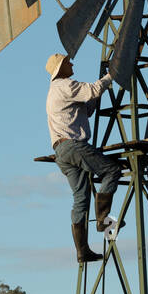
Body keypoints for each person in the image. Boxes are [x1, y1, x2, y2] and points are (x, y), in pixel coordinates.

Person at [45, 53, 122, 262]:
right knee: (112, 170)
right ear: (60, 68)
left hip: (61, 152)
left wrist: (100, 87)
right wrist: (110, 76)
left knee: (80, 198)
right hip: (73, 145)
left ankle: (82, 251)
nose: (71, 64)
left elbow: (87, 109)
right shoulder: (65, 85)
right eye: (67, 62)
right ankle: (103, 219)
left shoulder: (56, 90)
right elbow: (94, 90)